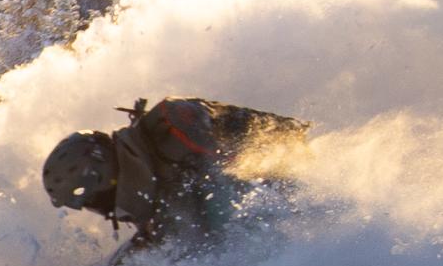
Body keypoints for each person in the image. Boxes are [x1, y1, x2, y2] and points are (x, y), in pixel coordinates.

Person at [40, 96, 307, 252]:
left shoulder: (172, 127)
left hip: (291, 192)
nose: (104, 212)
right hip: (276, 201)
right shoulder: (151, 177)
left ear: (104, 179)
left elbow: (229, 181)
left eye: (94, 203)